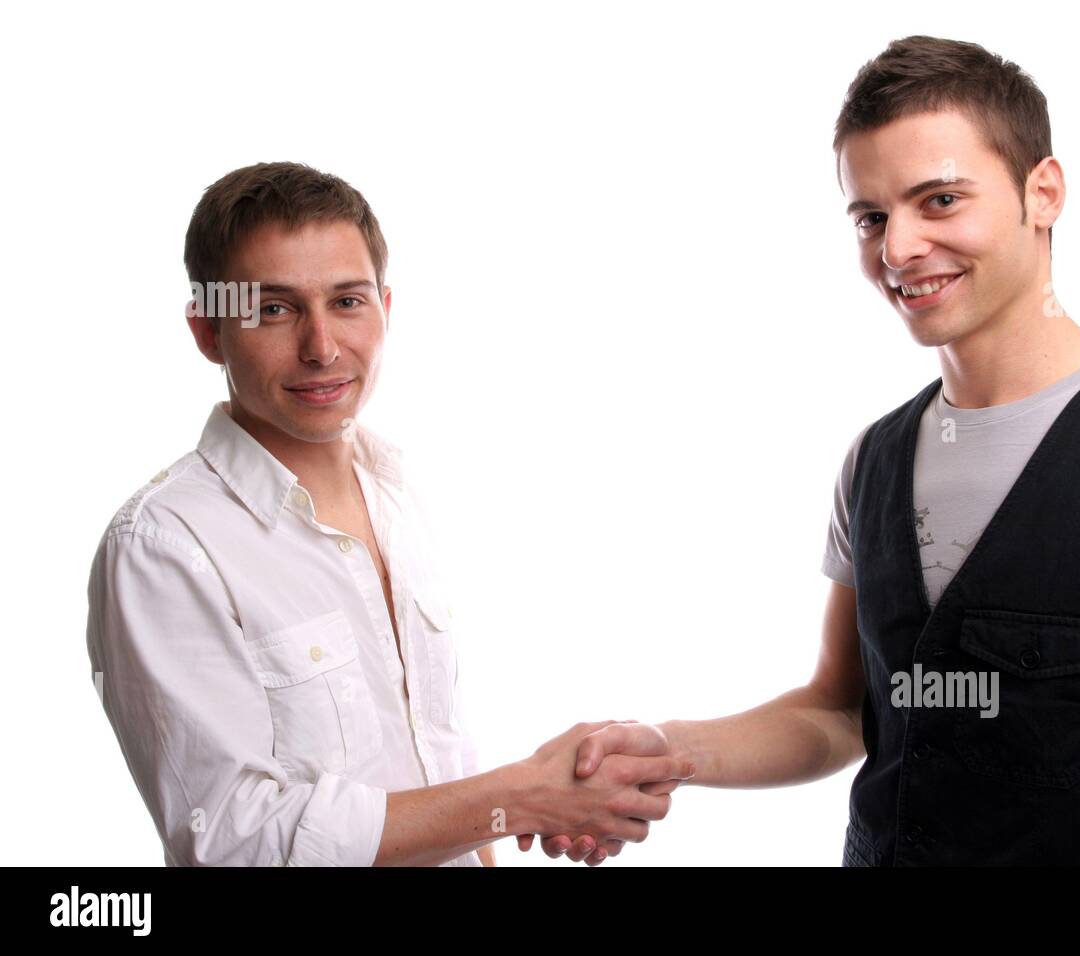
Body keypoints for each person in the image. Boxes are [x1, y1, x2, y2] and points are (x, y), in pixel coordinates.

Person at [519, 35, 1080, 866]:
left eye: (939, 201)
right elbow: (841, 711)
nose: (897, 251)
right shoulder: (874, 461)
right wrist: (666, 749)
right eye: (872, 217)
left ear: (1044, 193)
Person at [85, 162, 691, 866]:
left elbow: (439, 756)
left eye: (347, 301)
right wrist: (523, 796)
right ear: (208, 330)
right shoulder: (164, 545)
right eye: (274, 309)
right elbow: (231, 840)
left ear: (385, 308)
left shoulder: (393, 490)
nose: (321, 347)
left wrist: (527, 806)